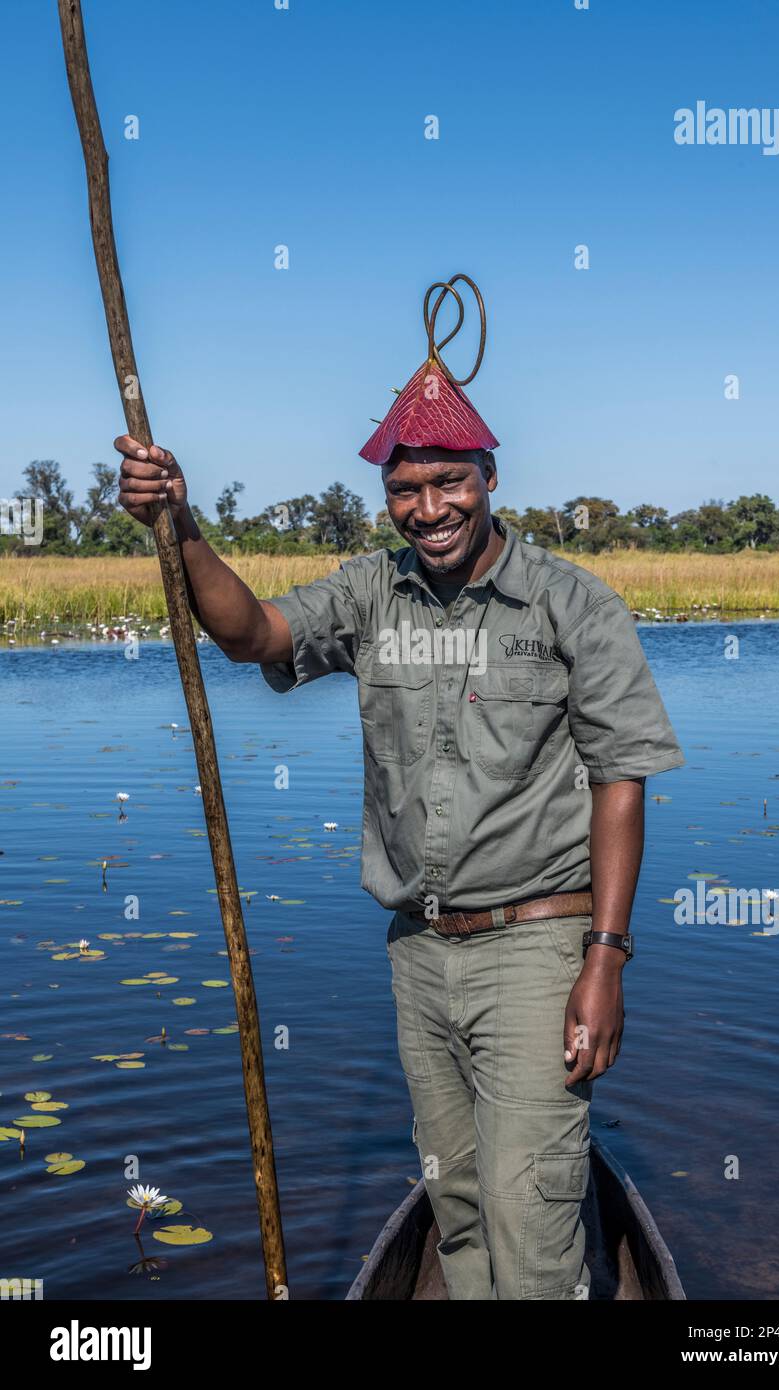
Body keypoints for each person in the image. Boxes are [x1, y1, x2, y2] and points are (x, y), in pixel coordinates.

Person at [113, 277, 684, 1300]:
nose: (428, 508)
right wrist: (180, 523)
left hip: (536, 944)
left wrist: (604, 960)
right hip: (418, 953)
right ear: (386, 495)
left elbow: (620, 782)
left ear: (487, 475)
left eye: (447, 482)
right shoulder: (371, 593)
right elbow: (251, 635)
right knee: (458, 1201)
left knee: (530, 1205)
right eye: (404, 489)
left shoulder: (570, 605)